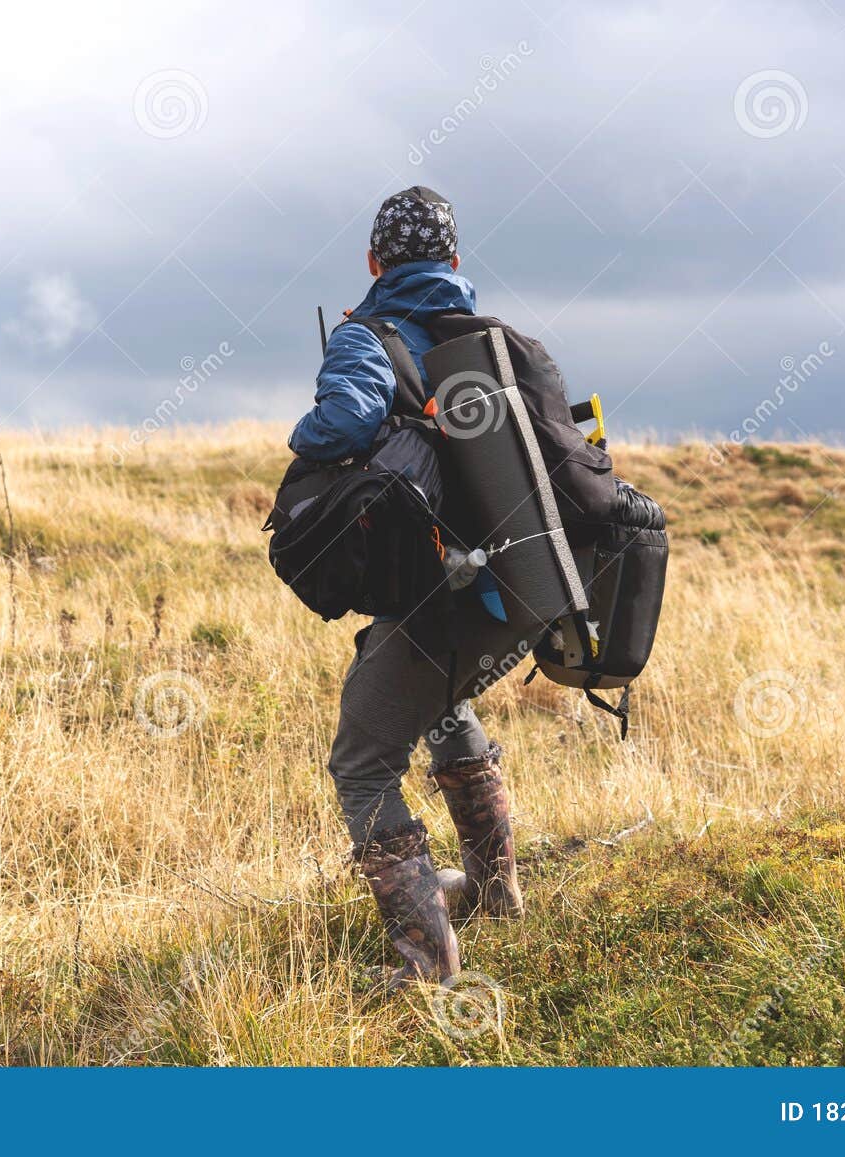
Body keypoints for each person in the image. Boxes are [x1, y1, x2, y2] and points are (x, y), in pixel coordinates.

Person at [289, 187, 543, 987]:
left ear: (373, 264)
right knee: (444, 703)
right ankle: (496, 895)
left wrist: (303, 431)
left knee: (362, 760)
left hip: (446, 592)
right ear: (457, 264)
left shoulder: (370, 336)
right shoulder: (490, 343)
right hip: (521, 594)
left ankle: (425, 963)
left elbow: (343, 424)